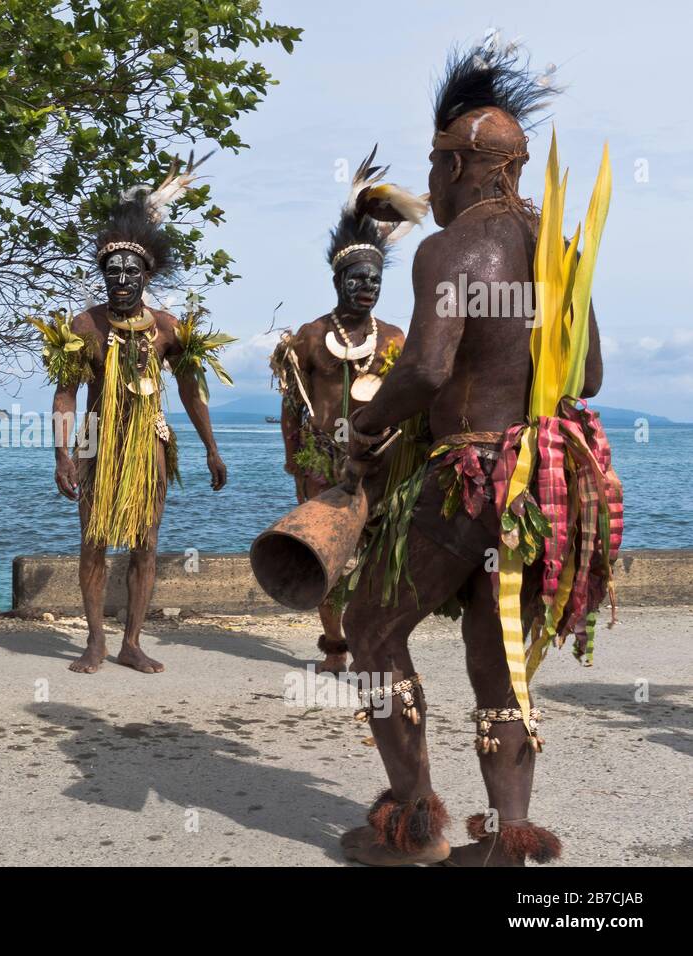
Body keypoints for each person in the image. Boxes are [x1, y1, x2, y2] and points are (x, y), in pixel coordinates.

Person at [335, 41, 620, 866]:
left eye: (434, 167)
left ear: (462, 164)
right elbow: (591, 374)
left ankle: (414, 822)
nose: (428, 188)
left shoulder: (450, 249)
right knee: (499, 664)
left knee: (369, 626)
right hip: (543, 487)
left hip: (470, 479)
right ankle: (505, 845)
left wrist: (367, 427)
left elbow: (424, 366)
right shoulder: (556, 250)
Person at [45, 161, 231, 674]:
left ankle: (131, 641)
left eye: (131, 272)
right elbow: (65, 395)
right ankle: (95, 642)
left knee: (146, 542)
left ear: (146, 276)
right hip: (96, 444)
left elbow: (193, 393)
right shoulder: (86, 325)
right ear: (102, 275)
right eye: (112, 271)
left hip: (149, 445)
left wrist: (212, 449)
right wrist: (63, 453)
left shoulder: (169, 328)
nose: (121, 279)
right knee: (93, 540)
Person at [270, 148, 424, 673]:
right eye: (357, 279)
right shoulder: (311, 338)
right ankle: (336, 645)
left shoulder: (397, 339)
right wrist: (296, 458)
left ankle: (371, 641)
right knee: (326, 554)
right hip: (321, 461)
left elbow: (411, 404)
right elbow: (292, 404)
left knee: (378, 555)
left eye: (376, 281)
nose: (367, 288)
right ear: (338, 280)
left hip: (380, 467)